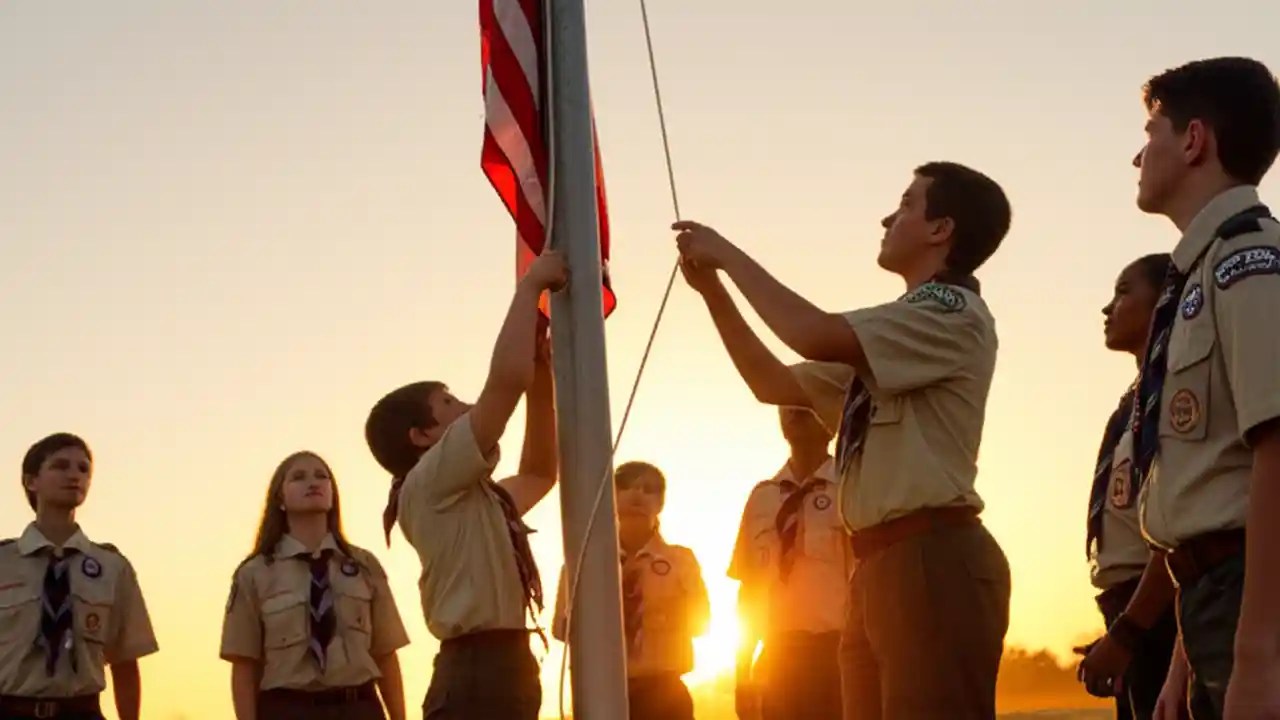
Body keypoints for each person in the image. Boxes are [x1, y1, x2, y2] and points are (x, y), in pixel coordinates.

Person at [673, 160, 1013, 720]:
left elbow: (811, 333)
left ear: (940, 229)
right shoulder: (891, 332)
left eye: (906, 204)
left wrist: (728, 255)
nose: (888, 216)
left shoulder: (949, 313)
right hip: (878, 564)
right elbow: (772, 383)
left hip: (930, 556)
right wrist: (713, 291)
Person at [1125, 57, 1280, 720]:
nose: (1138, 154)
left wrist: (1257, 659)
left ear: (1193, 140)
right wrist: (1184, 661)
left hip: (1249, 594)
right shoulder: (1199, 275)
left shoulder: (1249, 260)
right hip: (1210, 598)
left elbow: (1275, 449)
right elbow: (1214, 481)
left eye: (1151, 131)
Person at [364, 250, 566, 719]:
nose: (465, 406)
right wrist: (530, 285)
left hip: (507, 664)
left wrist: (542, 388)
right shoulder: (428, 480)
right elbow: (505, 382)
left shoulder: (474, 497)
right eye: (448, 402)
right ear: (423, 437)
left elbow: (539, 474)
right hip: (477, 671)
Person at [220, 451, 409, 720]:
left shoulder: (364, 566)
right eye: (298, 477)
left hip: (358, 706)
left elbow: (386, 653)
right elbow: (244, 665)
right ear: (280, 499)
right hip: (288, 708)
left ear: (333, 495)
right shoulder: (255, 573)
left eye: (322, 476)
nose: (313, 482)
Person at [1073, 254, 1178, 719]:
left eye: (1123, 292)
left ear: (1163, 303)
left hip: (1164, 611)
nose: (1107, 308)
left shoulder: (1174, 393)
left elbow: (1178, 527)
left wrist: (1131, 631)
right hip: (1132, 608)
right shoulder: (1134, 402)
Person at [0, 433, 158, 720]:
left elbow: (125, 662)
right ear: (31, 481)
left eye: (83, 469)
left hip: (81, 710)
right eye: (61, 466)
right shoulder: (4, 562)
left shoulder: (112, 567)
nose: (74, 475)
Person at [551, 461, 710, 720]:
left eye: (650, 488)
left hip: (665, 694)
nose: (637, 492)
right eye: (625, 484)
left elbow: (701, 622)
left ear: (661, 503)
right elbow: (561, 628)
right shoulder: (583, 560)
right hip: (603, 693)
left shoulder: (680, 560)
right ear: (609, 495)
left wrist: (658, 616)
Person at [729, 407, 846, 720]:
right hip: (778, 657)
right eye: (787, 403)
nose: (795, 411)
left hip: (840, 655)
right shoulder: (763, 497)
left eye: (807, 402)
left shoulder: (855, 488)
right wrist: (743, 672)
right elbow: (749, 590)